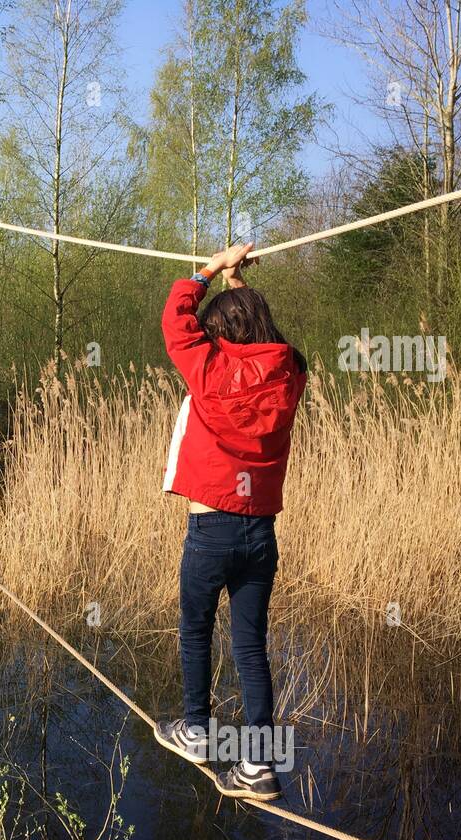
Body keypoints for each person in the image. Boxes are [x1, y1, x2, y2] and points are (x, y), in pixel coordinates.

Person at [153, 242, 307, 801]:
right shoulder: (288, 374)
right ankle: (259, 767)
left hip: (210, 529)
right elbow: (273, 344)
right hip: (260, 533)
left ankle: (197, 731)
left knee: (195, 629)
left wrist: (209, 270)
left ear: (221, 339)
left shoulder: (211, 369)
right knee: (250, 646)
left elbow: (177, 321)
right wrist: (239, 287)